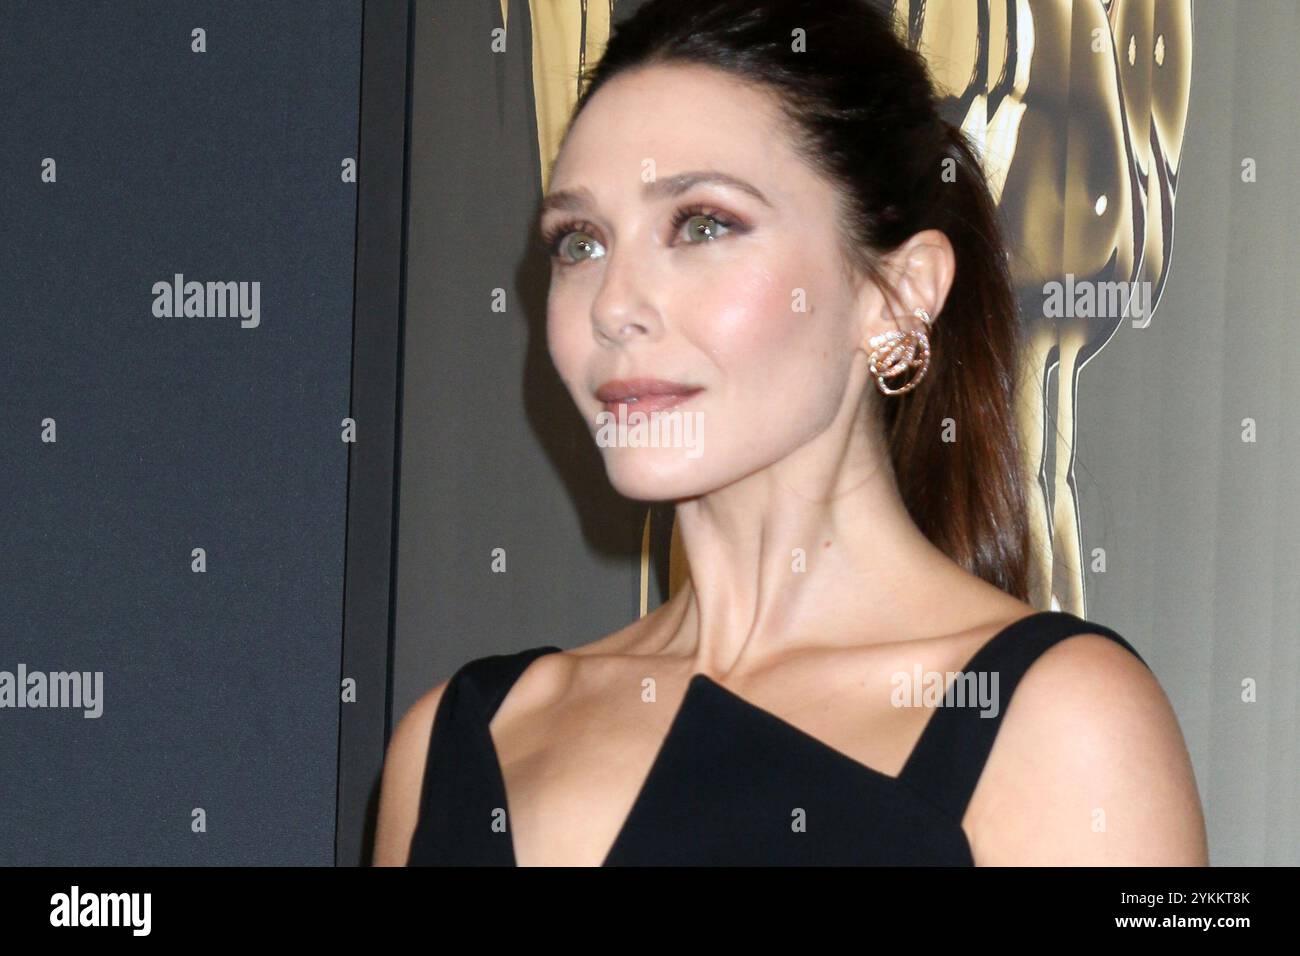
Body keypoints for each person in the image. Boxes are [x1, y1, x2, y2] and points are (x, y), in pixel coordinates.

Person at [374, 0, 1207, 866]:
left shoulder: (1061, 720)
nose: (614, 306)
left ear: (895, 297)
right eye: (580, 241)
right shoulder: (456, 741)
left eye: (702, 224)